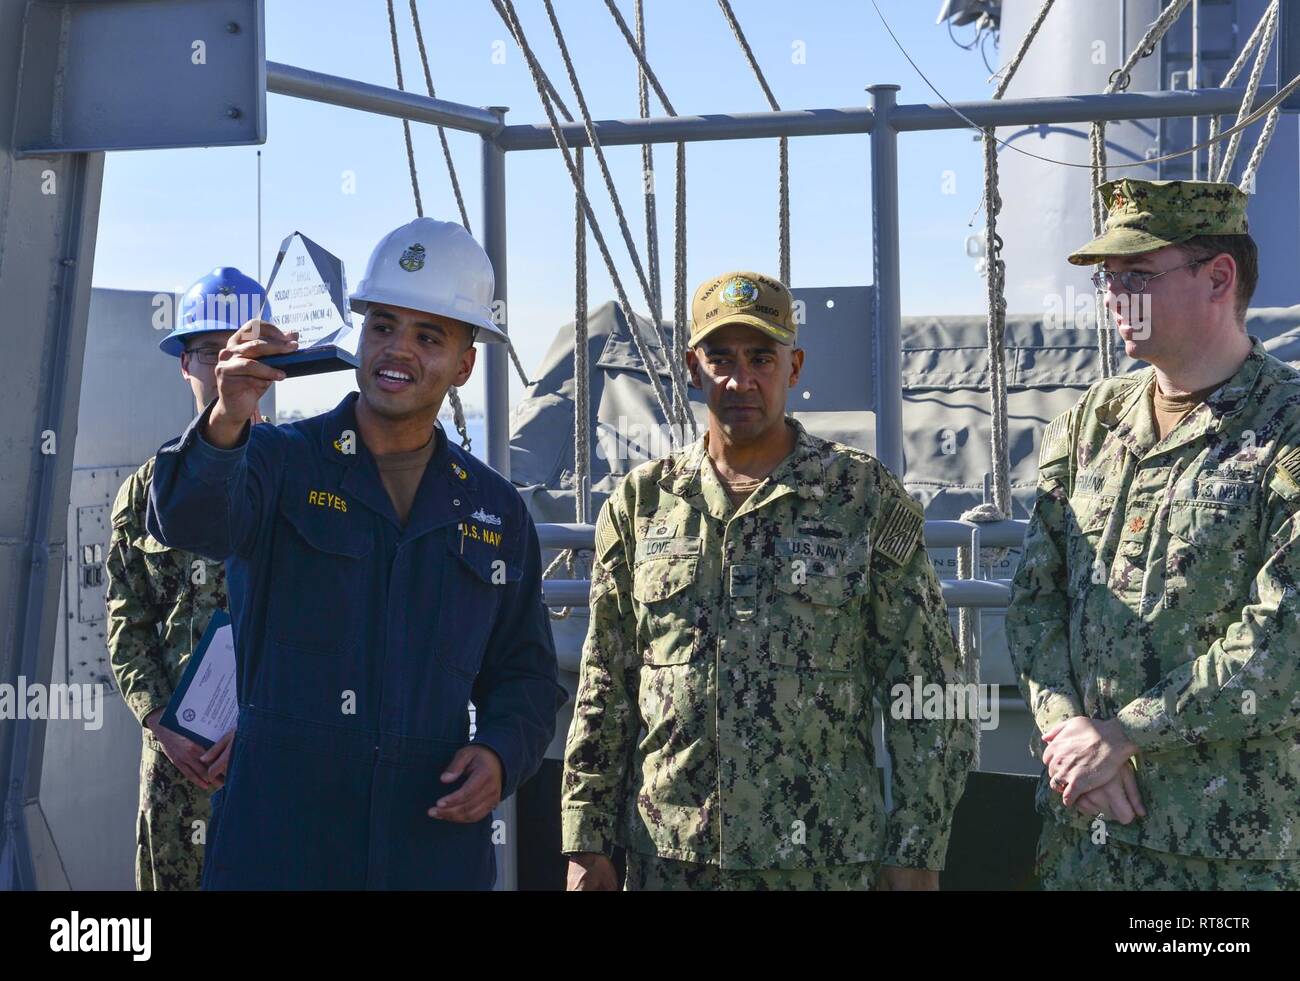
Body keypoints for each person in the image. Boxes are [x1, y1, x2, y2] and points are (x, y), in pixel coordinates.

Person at [146, 218, 565, 889]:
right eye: (383, 325)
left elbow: (526, 675)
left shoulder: (493, 510)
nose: (397, 349)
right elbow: (192, 519)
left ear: (464, 363)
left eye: (428, 335)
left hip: (427, 854)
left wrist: (498, 753)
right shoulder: (277, 462)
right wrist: (226, 418)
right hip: (278, 851)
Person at [561, 270, 974, 891]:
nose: (740, 380)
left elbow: (927, 685)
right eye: (720, 358)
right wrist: (586, 843)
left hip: (821, 862)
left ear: (795, 366)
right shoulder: (643, 502)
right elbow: (606, 686)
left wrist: (917, 851)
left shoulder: (860, 496)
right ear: (692, 367)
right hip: (671, 861)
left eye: (761, 358)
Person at [1006, 178, 1300, 889]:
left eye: (1136, 275)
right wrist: (1069, 735)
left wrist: (1125, 733)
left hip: (1223, 854)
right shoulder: (1091, 422)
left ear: (1218, 277)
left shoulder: (1286, 427)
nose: (1112, 295)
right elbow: (1035, 600)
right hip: (1084, 841)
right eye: (1108, 278)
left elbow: (1284, 637)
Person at [106, 267, 267, 890]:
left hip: (272, 762)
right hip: (176, 770)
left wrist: (259, 725)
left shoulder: (298, 482)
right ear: (184, 365)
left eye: (238, 350)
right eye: (209, 351)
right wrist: (160, 723)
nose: (224, 367)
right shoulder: (145, 492)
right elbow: (127, 621)